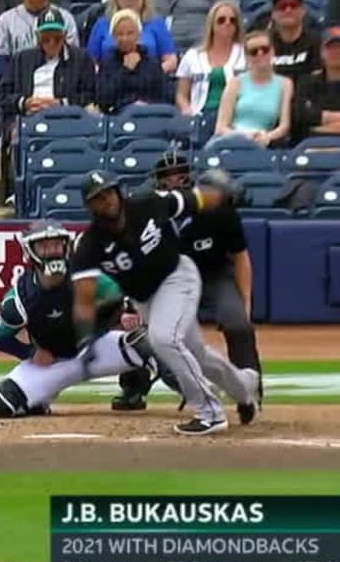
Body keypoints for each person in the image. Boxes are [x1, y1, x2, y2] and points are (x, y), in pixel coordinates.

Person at [69, 169, 260, 435]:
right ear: (89, 206)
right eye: (98, 198)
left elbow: (196, 200)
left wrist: (221, 197)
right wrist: (84, 338)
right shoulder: (90, 245)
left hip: (177, 277)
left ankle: (210, 412)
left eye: (109, 193)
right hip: (146, 299)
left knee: (164, 339)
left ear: (118, 192)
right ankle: (244, 387)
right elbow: (84, 298)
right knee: (198, 355)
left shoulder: (148, 204)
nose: (107, 200)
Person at [0, 220, 165, 418]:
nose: (53, 251)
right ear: (30, 252)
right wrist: (30, 352)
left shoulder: (85, 276)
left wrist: (128, 311)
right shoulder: (21, 298)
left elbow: (121, 292)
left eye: (56, 244)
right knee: (1, 402)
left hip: (97, 349)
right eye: (44, 246)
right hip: (54, 363)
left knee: (149, 343)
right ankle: (38, 399)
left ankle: (138, 389)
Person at [151, 150, 262, 397]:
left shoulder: (217, 208)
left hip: (213, 274)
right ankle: (135, 388)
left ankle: (250, 392)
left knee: (238, 325)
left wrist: (245, 302)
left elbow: (240, 256)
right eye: (167, 175)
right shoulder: (151, 211)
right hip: (169, 280)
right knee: (155, 335)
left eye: (180, 173)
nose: (174, 180)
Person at [0, 7, 97, 190]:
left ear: (65, 36)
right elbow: (4, 96)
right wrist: (25, 102)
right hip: (29, 117)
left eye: (57, 38)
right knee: (16, 134)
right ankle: (17, 191)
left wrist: (61, 103)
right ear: (37, 37)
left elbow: (90, 93)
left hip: (67, 117)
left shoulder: (81, 59)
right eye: (46, 39)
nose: (51, 44)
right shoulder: (21, 60)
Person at [213, 29, 292, 147]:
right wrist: (245, 136)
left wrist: (267, 136)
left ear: (272, 52)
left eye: (265, 50)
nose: (260, 54)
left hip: (262, 141)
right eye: (254, 51)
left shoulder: (285, 84)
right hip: (230, 140)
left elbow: (284, 126)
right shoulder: (235, 83)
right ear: (247, 57)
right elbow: (220, 127)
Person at [85, 0, 177, 71]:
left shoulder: (156, 22)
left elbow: (171, 60)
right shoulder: (102, 24)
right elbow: (91, 61)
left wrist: (154, 74)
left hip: (148, 81)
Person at [175, 0, 244, 116]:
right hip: (199, 114)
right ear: (211, 25)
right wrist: (187, 110)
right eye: (221, 20)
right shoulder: (192, 55)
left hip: (235, 116)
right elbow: (181, 94)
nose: (227, 23)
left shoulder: (246, 53)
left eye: (233, 21)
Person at [96, 9, 171, 113]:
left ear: (138, 35)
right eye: (120, 34)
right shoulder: (107, 64)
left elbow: (165, 96)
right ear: (113, 37)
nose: (125, 39)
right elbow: (103, 100)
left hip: (150, 114)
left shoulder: (152, 63)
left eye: (130, 33)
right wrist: (125, 70)